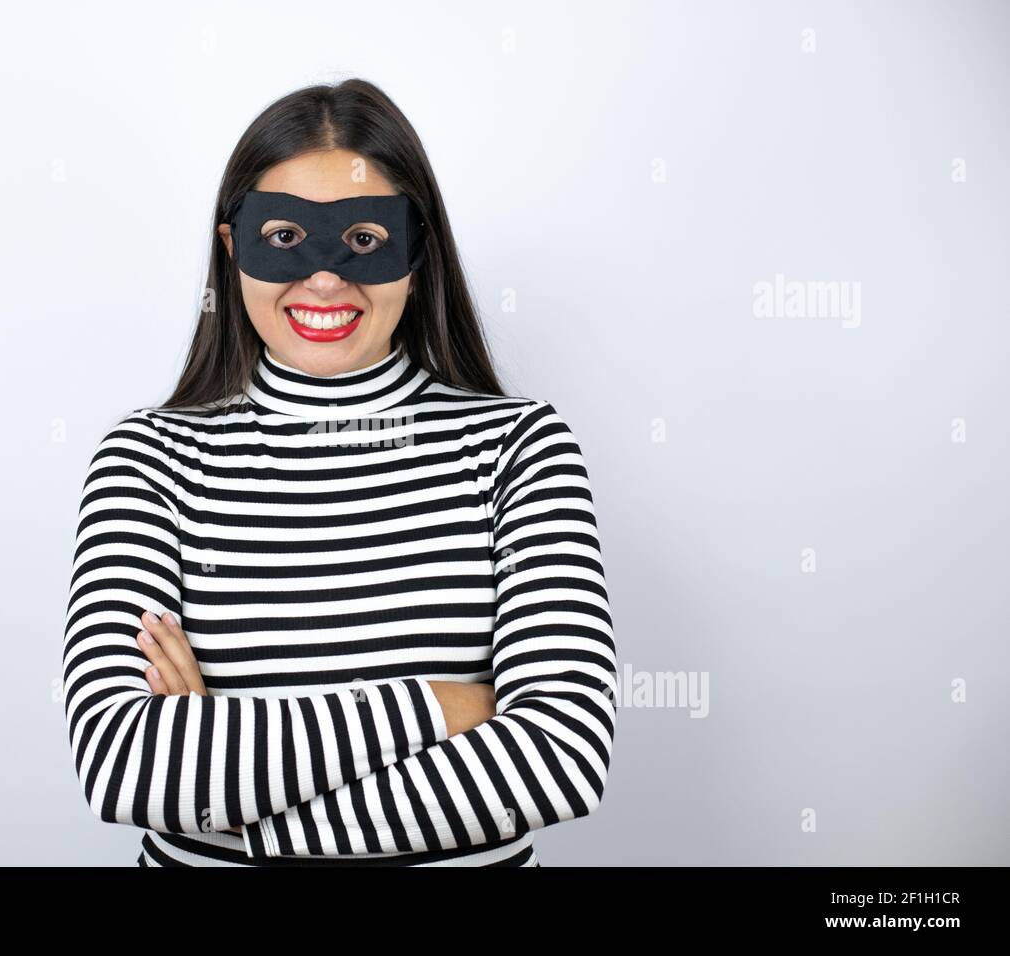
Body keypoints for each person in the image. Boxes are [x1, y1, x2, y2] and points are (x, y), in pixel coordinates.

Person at [61, 78, 617, 866]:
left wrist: (228, 794)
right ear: (233, 249)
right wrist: (451, 706)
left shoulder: (518, 448)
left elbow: (561, 758)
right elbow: (124, 764)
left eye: (363, 240)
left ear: (417, 252)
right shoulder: (149, 461)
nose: (324, 279)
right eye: (284, 237)